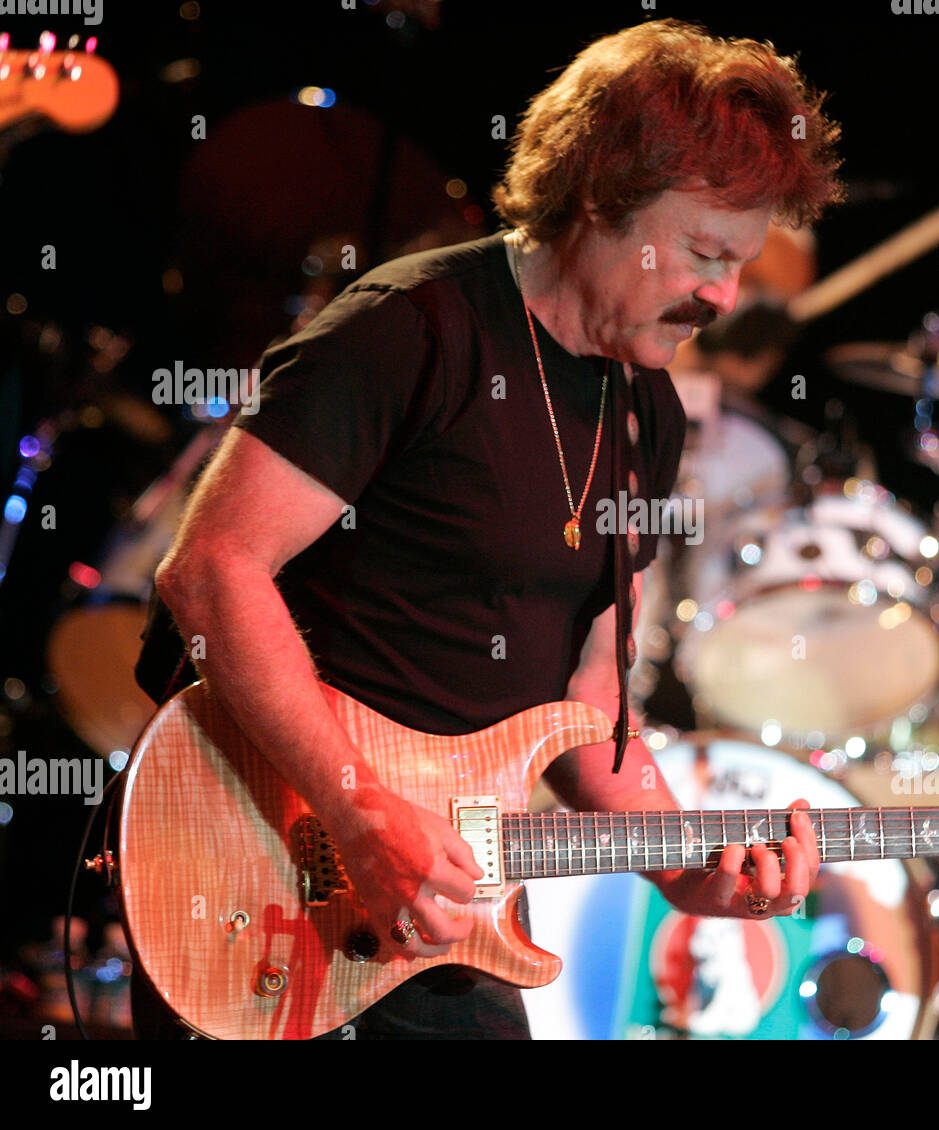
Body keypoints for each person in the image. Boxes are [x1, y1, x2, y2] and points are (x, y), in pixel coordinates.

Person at [132, 17, 844, 1039]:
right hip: (267, 866)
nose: (724, 296)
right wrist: (358, 809)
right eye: (703, 251)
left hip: (445, 909)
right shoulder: (404, 329)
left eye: (739, 264)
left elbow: (591, 701)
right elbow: (209, 570)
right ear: (603, 197)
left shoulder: (647, 412)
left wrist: (691, 871)